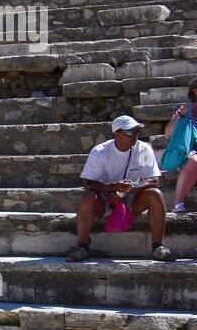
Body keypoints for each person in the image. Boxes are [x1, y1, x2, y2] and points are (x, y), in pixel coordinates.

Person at [67, 115, 174, 262]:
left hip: (132, 197)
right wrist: (112, 188)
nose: (135, 135)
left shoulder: (143, 149)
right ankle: (82, 246)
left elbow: (153, 180)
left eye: (137, 131)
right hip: (105, 199)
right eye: (130, 132)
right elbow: (89, 184)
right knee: (88, 196)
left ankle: (158, 247)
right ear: (117, 134)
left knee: (155, 194)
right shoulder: (100, 151)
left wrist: (125, 191)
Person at [164, 78, 197, 212]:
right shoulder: (185, 111)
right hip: (188, 153)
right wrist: (179, 116)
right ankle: (178, 203)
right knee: (194, 161)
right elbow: (167, 134)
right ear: (195, 91)